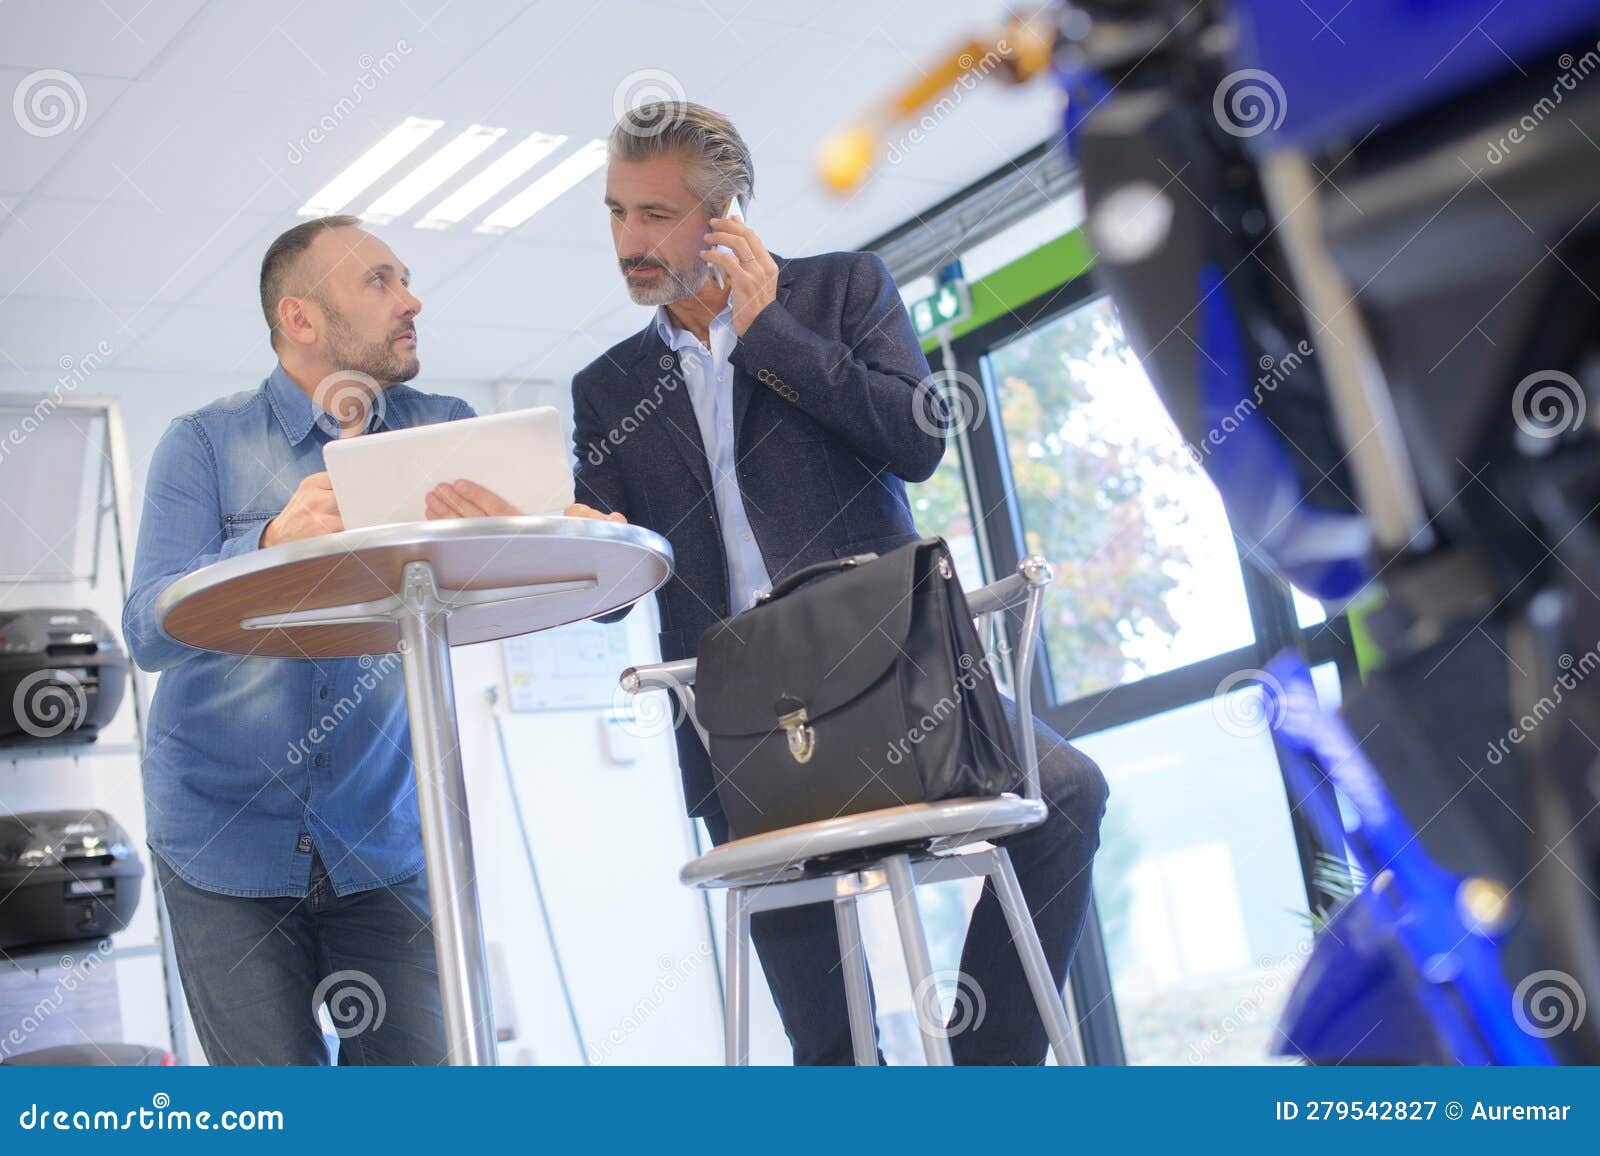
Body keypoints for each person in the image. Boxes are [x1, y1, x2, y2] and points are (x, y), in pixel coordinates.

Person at [567, 100, 1110, 1064]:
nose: (627, 242)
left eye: (653, 214)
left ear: (724, 213)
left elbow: (917, 440)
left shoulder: (842, 294)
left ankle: (987, 1079)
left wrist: (768, 330)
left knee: (1067, 792)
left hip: (901, 681)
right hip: (749, 730)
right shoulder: (606, 388)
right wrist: (584, 545)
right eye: (616, 214)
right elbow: (612, 592)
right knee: (831, 1052)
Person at [123, 215, 530, 1064]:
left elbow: (512, 580)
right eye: (379, 281)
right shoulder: (204, 443)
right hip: (221, 843)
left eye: (404, 277)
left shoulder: (442, 430)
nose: (411, 299)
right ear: (301, 320)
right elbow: (147, 632)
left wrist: (527, 536)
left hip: (384, 840)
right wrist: (268, 543)